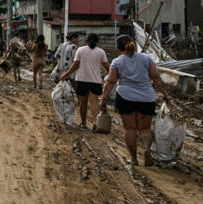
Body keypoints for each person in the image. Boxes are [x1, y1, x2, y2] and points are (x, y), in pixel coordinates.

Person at [100, 34, 166, 166]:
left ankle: (134, 159)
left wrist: (103, 99)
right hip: (147, 98)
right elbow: (156, 77)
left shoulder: (117, 61)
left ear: (118, 48)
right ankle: (147, 150)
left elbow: (111, 81)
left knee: (130, 129)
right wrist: (165, 94)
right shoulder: (147, 58)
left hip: (126, 97)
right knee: (145, 129)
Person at [60, 33, 109, 129]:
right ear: (97, 41)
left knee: (83, 103)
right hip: (95, 81)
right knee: (94, 102)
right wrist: (113, 76)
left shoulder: (80, 50)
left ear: (86, 41)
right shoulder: (101, 52)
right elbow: (107, 67)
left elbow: (75, 65)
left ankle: (83, 123)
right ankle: (95, 123)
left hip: (81, 80)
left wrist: (65, 75)